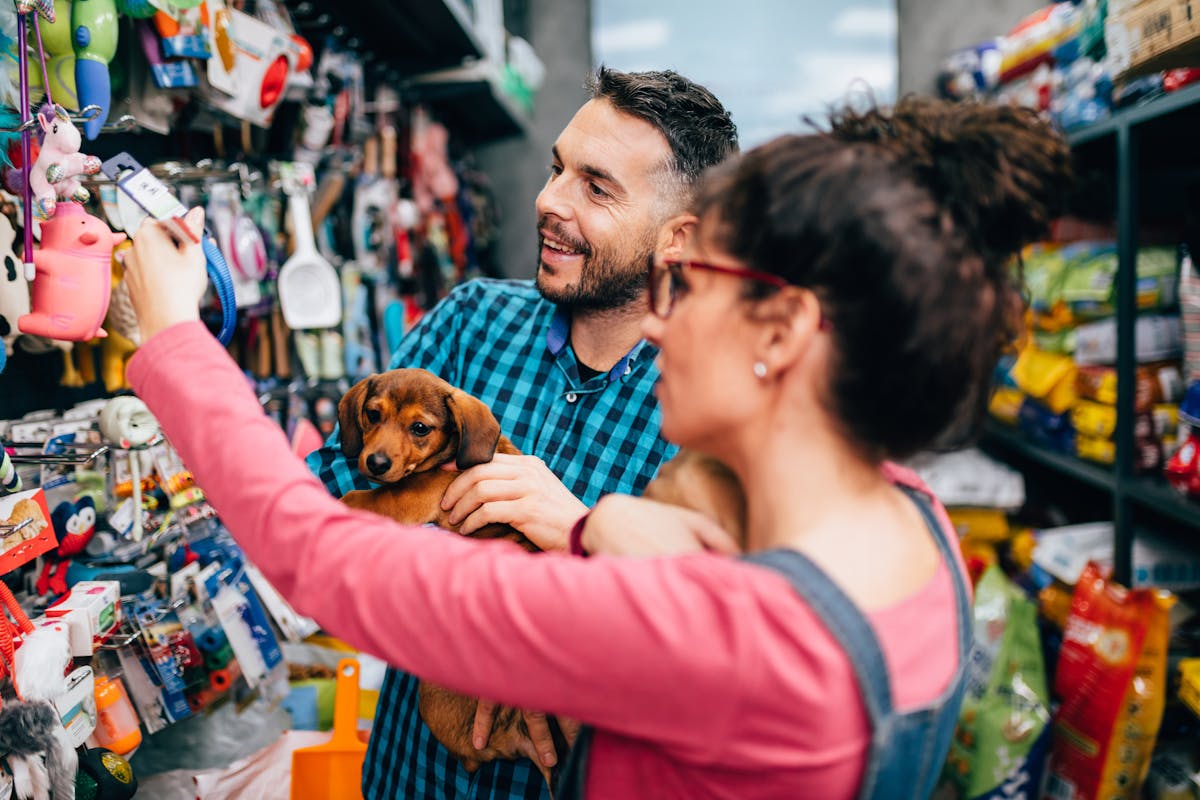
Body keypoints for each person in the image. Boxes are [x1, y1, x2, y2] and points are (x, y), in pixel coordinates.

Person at [122, 95, 1070, 798]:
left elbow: (322, 556)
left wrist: (169, 336)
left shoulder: (712, 627)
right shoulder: (920, 529)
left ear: (780, 332)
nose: (661, 327)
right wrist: (599, 529)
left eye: (691, 284)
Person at [307, 67, 739, 799]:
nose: (548, 202)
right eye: (556, 168)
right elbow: (328, 499)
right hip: (409, 777)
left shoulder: (717, 406)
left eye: (596, 188)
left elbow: (721, 647)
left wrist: (575, 537)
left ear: (679, 238)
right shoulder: (471, 320)